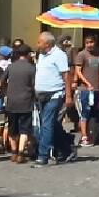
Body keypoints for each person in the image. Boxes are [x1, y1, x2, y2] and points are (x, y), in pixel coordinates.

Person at [32, 31, 74, 166]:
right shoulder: (42, 55)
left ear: (47, 44)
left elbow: (66, 76)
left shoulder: (59, 55)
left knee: (46, 124)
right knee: (52, 125)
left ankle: (43, 155)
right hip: (41, 95)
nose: (37, 44)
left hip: (54, 94)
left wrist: (68, 96)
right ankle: (67, 149)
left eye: (39, 42)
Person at [2, 43, 37, 162]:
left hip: (11, 101)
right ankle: (21, 152)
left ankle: (13, 152)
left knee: (12, 129)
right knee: (24, 129)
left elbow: (0, 82)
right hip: (26, 102)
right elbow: (34, 86)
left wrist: (7, 90)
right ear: (28, 54)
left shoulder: (11, 67)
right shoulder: (32, 68)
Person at [72, 33, 99, 147]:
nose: (89, 45)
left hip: (97, 88)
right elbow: (78, 71)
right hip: (85, 89)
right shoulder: (81, 55)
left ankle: (93, 134)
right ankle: (84, 136)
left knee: (94, 113)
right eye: (87, 43)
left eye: (91, 42)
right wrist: (87, 83)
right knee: (84, 113)